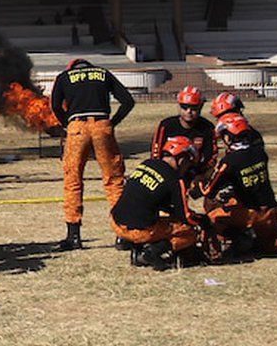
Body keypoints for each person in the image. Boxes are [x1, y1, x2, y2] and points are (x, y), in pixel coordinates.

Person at [49, 58, 136, 250]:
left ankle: (73, 236)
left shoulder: (64, 77)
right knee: (114, 180)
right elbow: (128, 101)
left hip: (76, 127)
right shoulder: (103, 73)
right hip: (102, 125)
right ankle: (122, 234)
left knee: (73, 180)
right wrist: (113, 123)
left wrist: (67, 124)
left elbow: (55, 105)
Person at [109, 136, 200, 271]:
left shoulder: (147, 164)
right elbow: (185, 216)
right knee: (189, 231)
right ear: (181, 158)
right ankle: (151, 252)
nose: (187, 168)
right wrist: (202, 221)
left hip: (115, 222)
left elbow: (150, 197)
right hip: (140, 231)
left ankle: (138, 249)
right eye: (188, 163)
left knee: (151, 217)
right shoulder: (175, 180)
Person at [200, 113, 277, 257]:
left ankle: (233, 240)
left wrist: (199, 180)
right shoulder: (260, 153)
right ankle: (276, 240)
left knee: (211, 218)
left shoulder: (229, 162)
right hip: (271, 213)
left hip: (251, 215)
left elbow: (208, 191)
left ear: (229, 137)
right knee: (270, 248)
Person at [151, 87, 216, 176]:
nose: (189, 111)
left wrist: (199, 176)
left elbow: (210, 157)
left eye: (193, 108)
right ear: (179, 106)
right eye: (184, 107)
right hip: (166, 173)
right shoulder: (166, 126)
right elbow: (155, 154)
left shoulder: (207, 128)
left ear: (200, 107)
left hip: (195, 175)